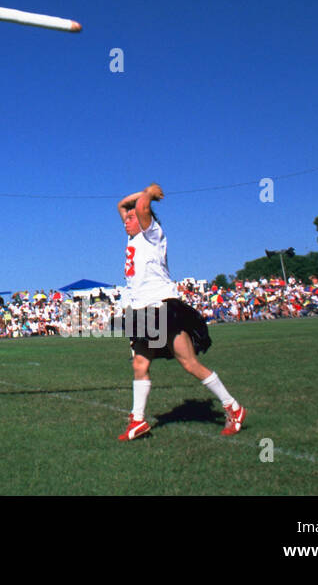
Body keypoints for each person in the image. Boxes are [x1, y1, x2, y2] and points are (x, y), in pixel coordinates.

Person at [116, 183, 246, 441]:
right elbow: (122, 204)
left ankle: (233, 406)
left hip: (161, 307)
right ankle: (138, 421)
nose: (126, 220)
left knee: (189, 364)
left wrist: (149, 195)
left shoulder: (151, 234)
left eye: (132, 218)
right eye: (126, 219)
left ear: (144, 218)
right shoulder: (132, 238)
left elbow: (141, 206)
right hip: (142, 310)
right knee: (140, 364)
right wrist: (144, 190)